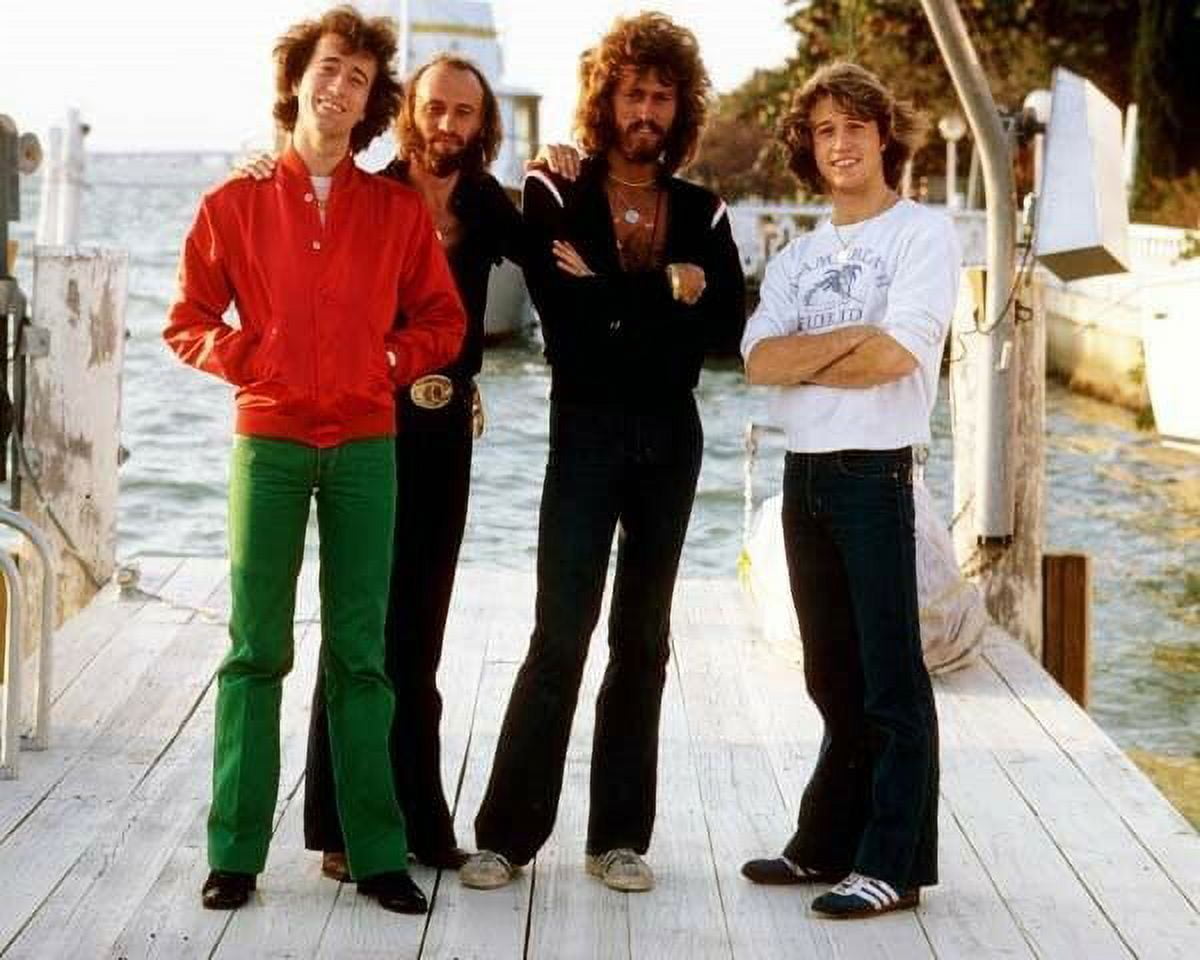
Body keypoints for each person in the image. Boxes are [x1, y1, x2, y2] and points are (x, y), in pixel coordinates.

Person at [163, 5, 465, 914]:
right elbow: (186, 322)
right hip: (271, 444)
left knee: (362, 654)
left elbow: (443, 323)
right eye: (329, 69)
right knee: (256, 649)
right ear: (298, 77)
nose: (340, 89)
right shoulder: (234, 203)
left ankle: (375, 851)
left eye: (360, 79)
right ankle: (234, 851)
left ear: (373, 102)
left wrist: (388, 361)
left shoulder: (396, 211)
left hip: (369, 448)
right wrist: (254, 360)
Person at [460, 11, 745, 894]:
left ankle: (619, 837)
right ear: (607, 99)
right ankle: (507, 836)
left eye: (662, 95)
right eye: (634, 93)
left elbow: (729, 327)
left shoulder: (705, 207)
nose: (648, 109)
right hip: (582, 431)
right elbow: (571, 327)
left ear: (679, 107)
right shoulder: (558, 192)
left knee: (644, 637)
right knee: (560, 631)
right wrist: (668, 287)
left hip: (672, 437)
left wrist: (619, 295)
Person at [739, 62, 956, 919]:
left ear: (882, 136)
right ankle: (827, 844)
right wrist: (850, 338)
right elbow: (757, 361)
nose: (840, 144)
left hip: (874, 473)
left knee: (891, 679)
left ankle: (894, 865)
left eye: (855, 127)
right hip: (805, 475)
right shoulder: (797, 255)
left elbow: (898, 355)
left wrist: (816, 349)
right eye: (825, 130)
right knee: (830, 674)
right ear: (810, 145)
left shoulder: (921, 235)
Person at [302, 53, 524, 880]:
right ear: (409, 113)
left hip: (444, 433)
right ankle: (335, 827)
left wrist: (570, 171)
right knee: (359, 628)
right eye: (436, 109)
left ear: (481, 125)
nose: (449, 126)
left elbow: (561, 257)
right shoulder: (369, 195)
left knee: (420, 634)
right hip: (365, 428)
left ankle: (421, 821)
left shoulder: (484, 205)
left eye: (465, 113)